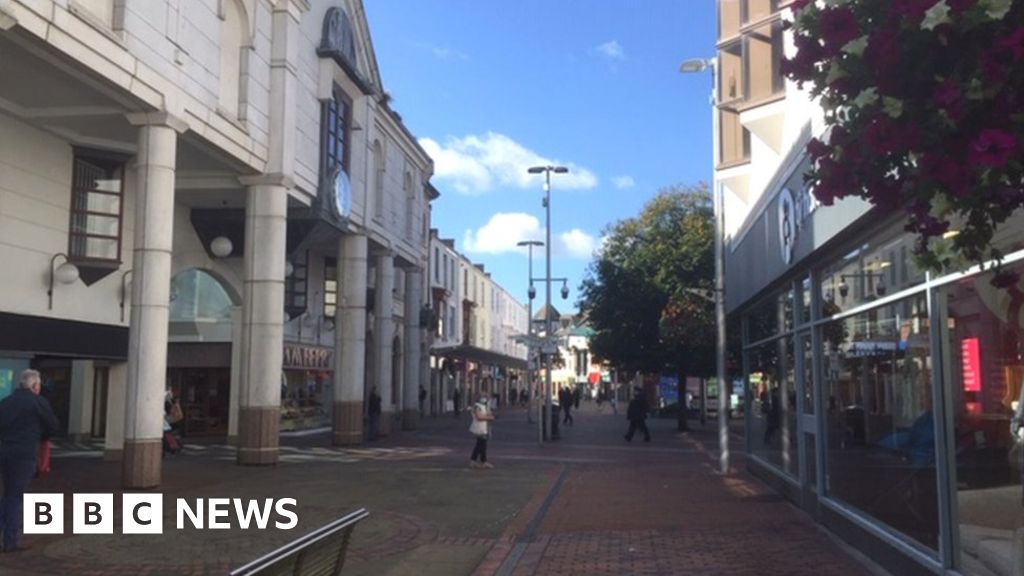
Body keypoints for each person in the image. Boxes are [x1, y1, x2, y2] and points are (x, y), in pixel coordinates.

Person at [0, 369, 59, 553]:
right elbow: (52, 426)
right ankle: (10, 541)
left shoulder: (6, 403)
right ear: (35, 385)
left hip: (4, 452)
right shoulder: (38, 403)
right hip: (24, 455)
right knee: (14, 497)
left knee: (9, 495)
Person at [468, 396, 495, 469]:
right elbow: (479, 417)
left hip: (483, 428)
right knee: (482, 445)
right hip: (479, 428)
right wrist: (490, 418)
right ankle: (483, 461)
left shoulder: (483, 406)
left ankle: (474, 461)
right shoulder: (478, 406)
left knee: (480, 445)